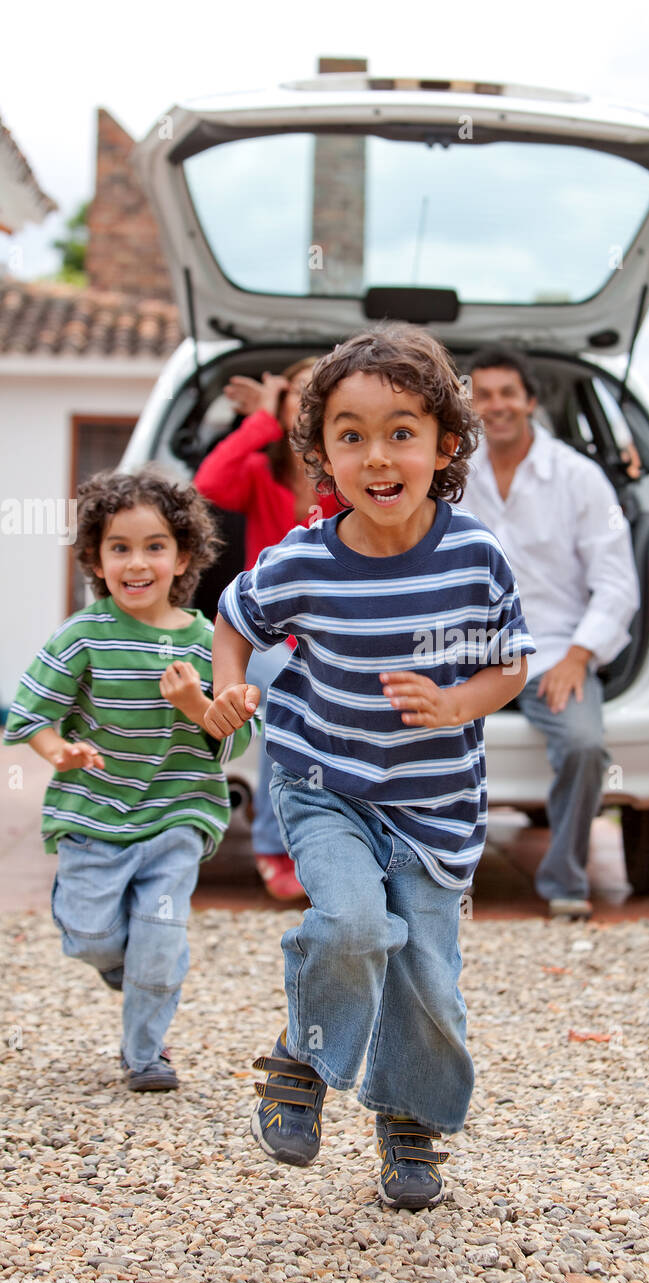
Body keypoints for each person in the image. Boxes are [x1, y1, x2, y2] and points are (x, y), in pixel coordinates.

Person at [204, 324, 534, 1210]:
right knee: (350, 924)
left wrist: (459, 703)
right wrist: (232, 688)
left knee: (427, 979)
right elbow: (233, 618)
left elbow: (511, 663)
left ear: (445, 445)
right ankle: (305, 1056)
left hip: (433, 811)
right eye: (349, 435)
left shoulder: (476, 559)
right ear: (321, 455)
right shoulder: (305, 560)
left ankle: (408, 1123)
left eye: (400, 432)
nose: (376, 455)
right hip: (326, 788)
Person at [2, 471, 255, 1091]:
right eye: (119, 547)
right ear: (95, 558)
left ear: (183, 556)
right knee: (92, 939)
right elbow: (30, 714)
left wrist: (198, 707)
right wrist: (58, 751)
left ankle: (145, 1054)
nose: (136, 563)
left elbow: (239, 738)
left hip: (176, 817)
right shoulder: (84, 634)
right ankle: (126, 960)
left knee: (160, 936)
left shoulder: (205, 641)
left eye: (153, 546)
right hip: (94, 819)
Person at [460, 347, 640, 920]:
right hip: (464, 652)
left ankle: (565, 875)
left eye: (508, 393)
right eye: (482, 395)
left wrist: (580, 657)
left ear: (531, 401)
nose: (496, 406)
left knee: (586, 745)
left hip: (554, 652)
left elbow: (617, 581)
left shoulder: (580, 479)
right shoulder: (451, 473)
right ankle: (425, 872)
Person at [193, 358, 341, 901]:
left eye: (315, 395)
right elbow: (207, 483)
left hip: (330, 633)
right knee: (286, 690)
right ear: (280, 406)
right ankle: (272, 847)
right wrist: (261, 421)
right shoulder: (259, 471)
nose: (306, 405)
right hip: (266, 635)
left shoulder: (345, 474)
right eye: (295, 394)